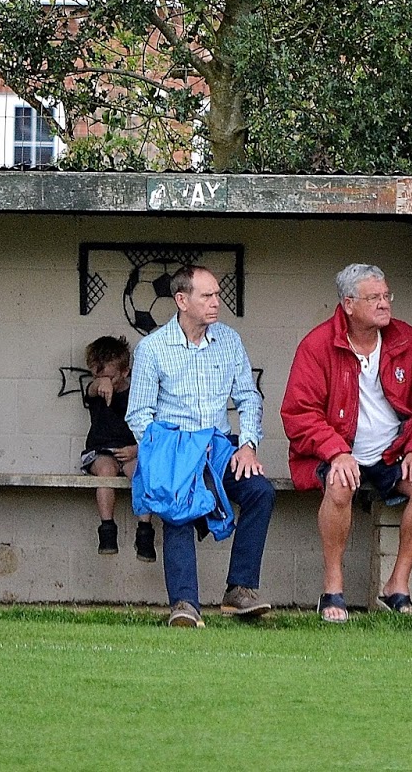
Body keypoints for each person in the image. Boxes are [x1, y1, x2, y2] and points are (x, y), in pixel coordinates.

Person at [282, 263, 412, 623]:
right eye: (375, 298)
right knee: (340, 483)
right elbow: (298, 413)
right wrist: (337, 451)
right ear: (348, 304)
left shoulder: (405, 338)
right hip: (338, 452)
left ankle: (396, 587)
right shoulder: (317, 344)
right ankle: (332, 587)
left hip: (392, 453)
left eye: (387, 296)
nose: (385, 304)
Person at [125, 265, 274, 627]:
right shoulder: (153, 349)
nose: (215, 303)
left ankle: (239, 590)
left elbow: (249, 399)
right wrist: (169, 455)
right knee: (177, 508)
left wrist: (249, 446)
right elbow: (138, 415)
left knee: (261, 492)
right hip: (174, 449)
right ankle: (185, 605)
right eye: (206, 296)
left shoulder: (230, 340)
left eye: (217, 295)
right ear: (182, 300)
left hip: (220, 446)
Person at [80, 335, 155, 561]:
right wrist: (99, 381)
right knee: (106, 471)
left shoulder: (137, 395)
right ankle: (107, 529)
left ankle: (144, 531)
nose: (105, 383)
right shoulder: (95, 391)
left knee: (142, 472)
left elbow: (153, 431)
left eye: (110, 377)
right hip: (101, 451)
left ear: (125, 373)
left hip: (130, 451)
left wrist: (137, 449)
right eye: (97, 374)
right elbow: (92, 389)